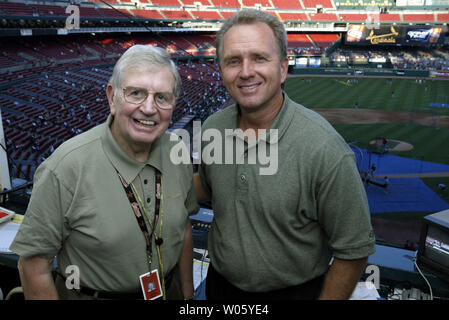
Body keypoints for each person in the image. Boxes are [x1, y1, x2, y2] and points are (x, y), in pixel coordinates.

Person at [194, 9, 376, 300]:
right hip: (219, 287)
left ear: (282, 68)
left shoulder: (325, 148)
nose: (245, 71)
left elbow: (354, 251)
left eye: (259, 58)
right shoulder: (214, 127)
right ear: (221, 71)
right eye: (232, 61)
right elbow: (206, 185)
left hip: (294, 293)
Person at [10, 45, 198, 300]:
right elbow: (33, 265)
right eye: (136, 93)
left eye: (162, 97)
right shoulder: (65, 167)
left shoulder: (178, 151)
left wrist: (187, 294)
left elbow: (184, 227)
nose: (149, 108)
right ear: (112, 97)